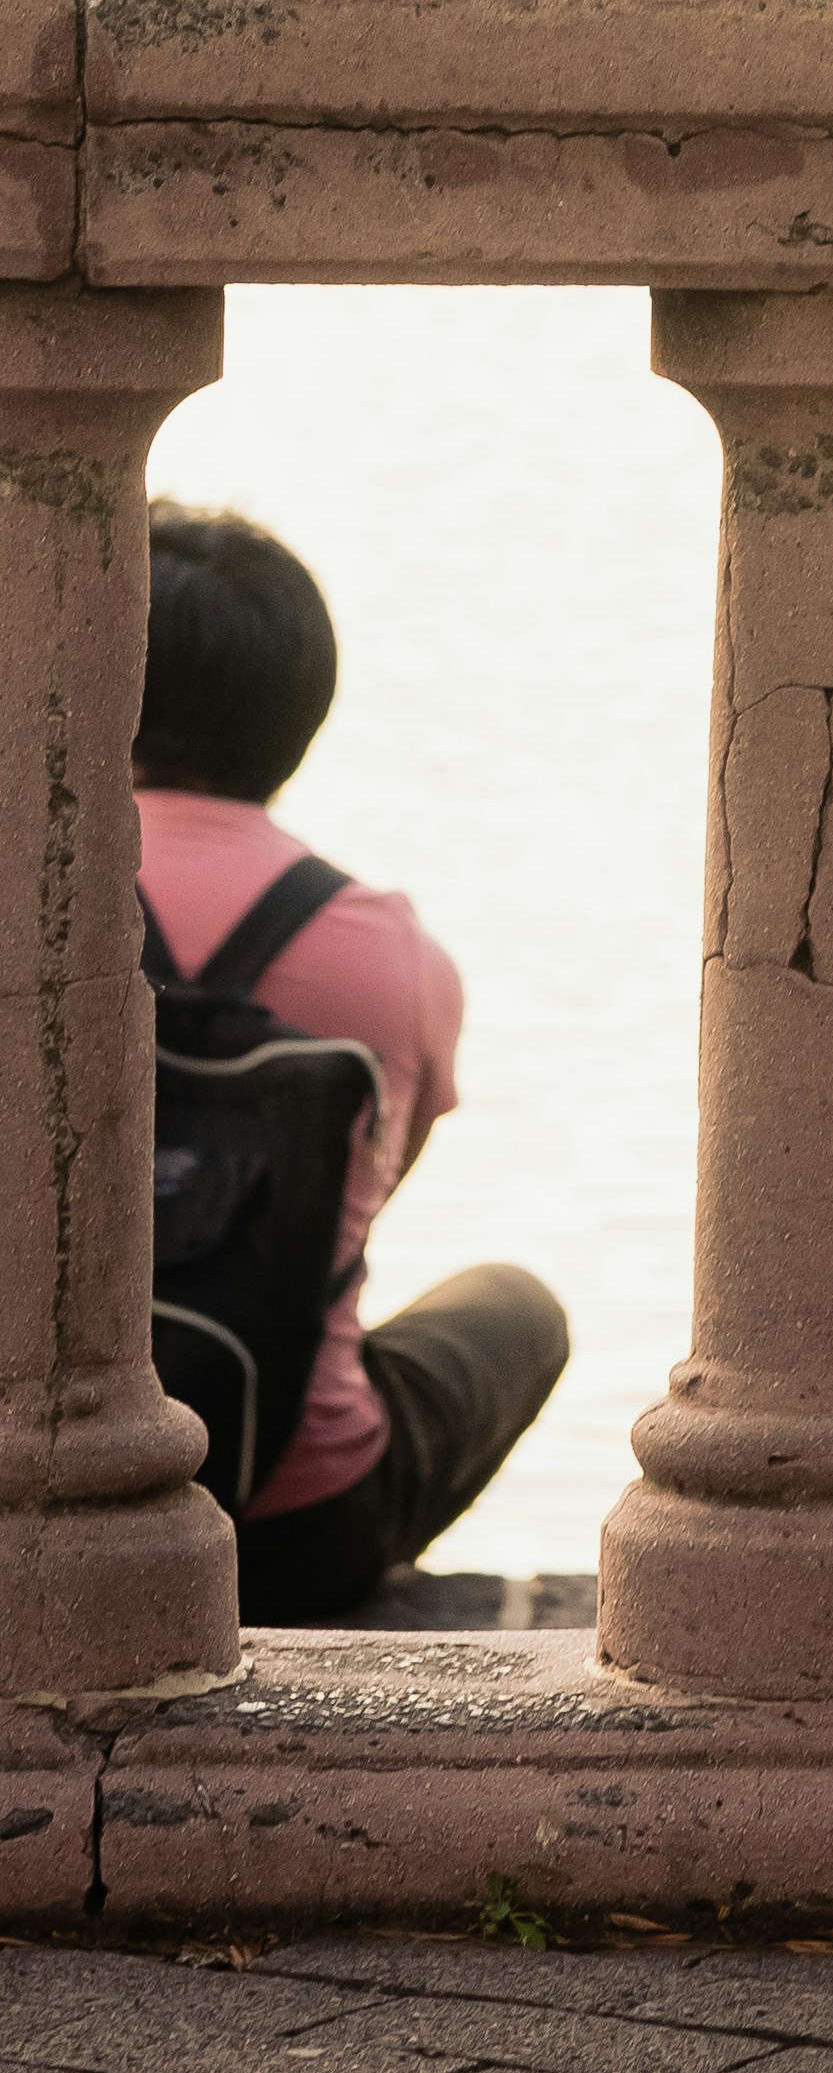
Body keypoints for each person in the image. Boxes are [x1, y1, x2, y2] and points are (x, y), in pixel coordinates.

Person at [133, 504, 568, 1623]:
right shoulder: (392, 953)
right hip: (290, 1533)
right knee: (517, 1306)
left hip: (35, 1506)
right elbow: (354, 1206)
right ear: (299, 714)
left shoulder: (25, 894)